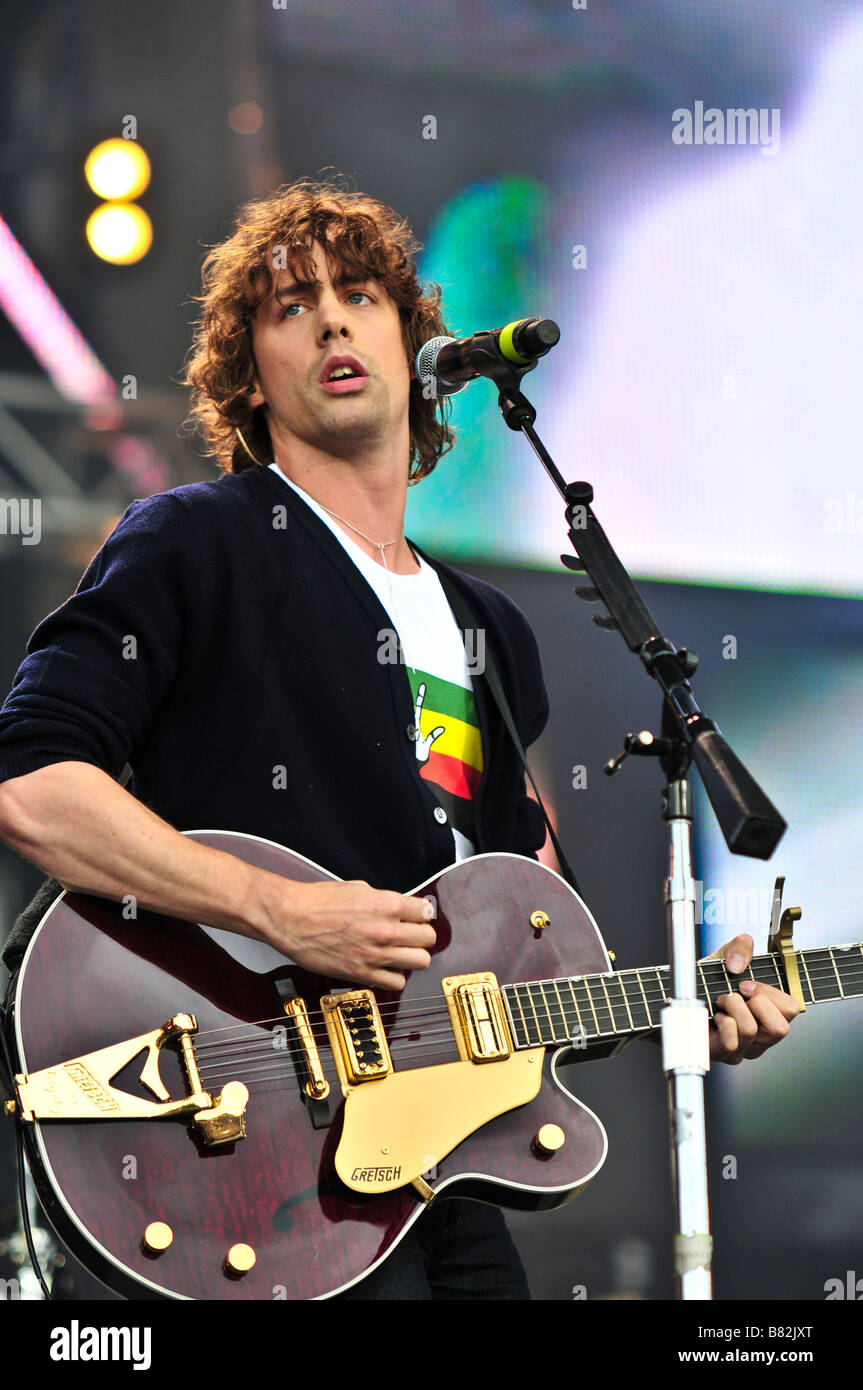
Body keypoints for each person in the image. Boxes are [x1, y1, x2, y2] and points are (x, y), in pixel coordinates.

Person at [0, 178, 800, 1299]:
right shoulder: (196, 543)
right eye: (288, 307)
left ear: (416, 347)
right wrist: (274, 907)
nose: (329, 319)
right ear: (250, 378)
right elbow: (33, 782)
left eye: (359, 296)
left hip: (431, 1181)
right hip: (244, 1151)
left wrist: (693, 1000)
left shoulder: (489, 631)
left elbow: (527, 953)